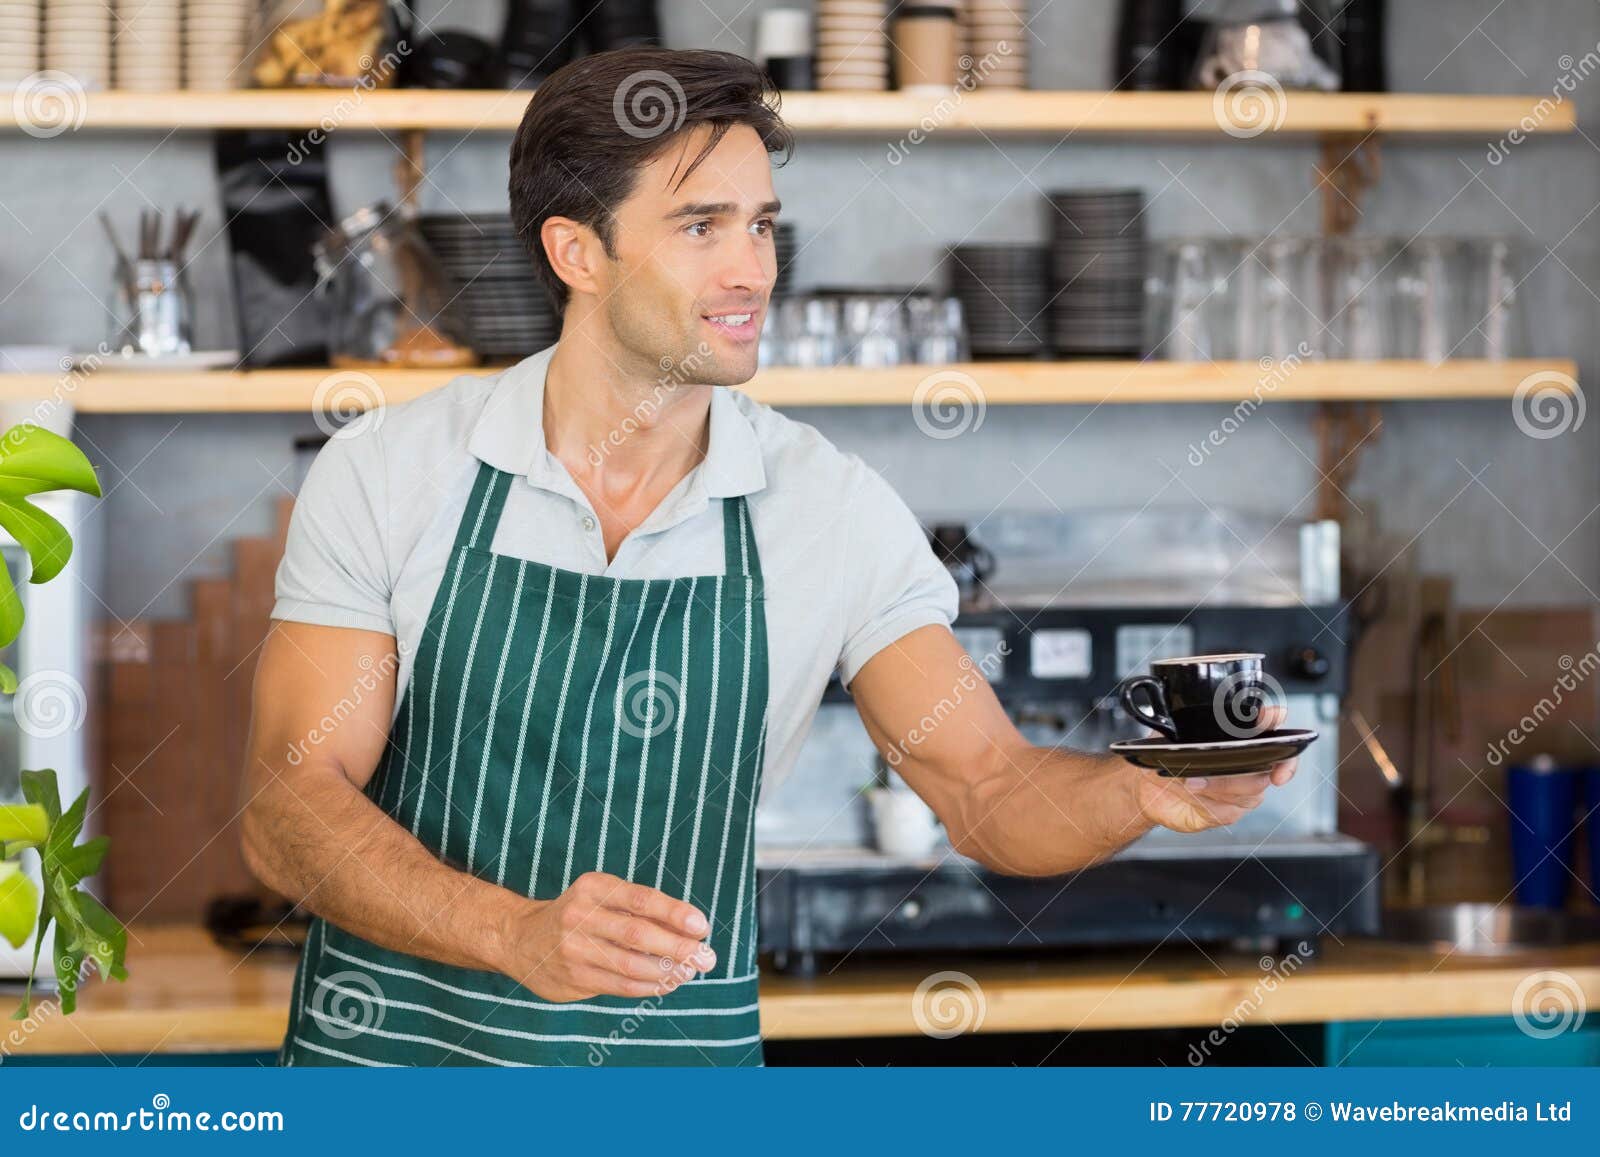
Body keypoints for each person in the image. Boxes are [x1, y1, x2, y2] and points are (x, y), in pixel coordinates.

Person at [240, 47, 1298, 1067]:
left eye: (761, 225)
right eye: (700, 226)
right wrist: (512, 932)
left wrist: (1137, 795)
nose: (752, 270)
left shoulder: (826, 509)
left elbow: (985, 783)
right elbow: (288, 807)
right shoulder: (391, 471)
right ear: (577, 253)